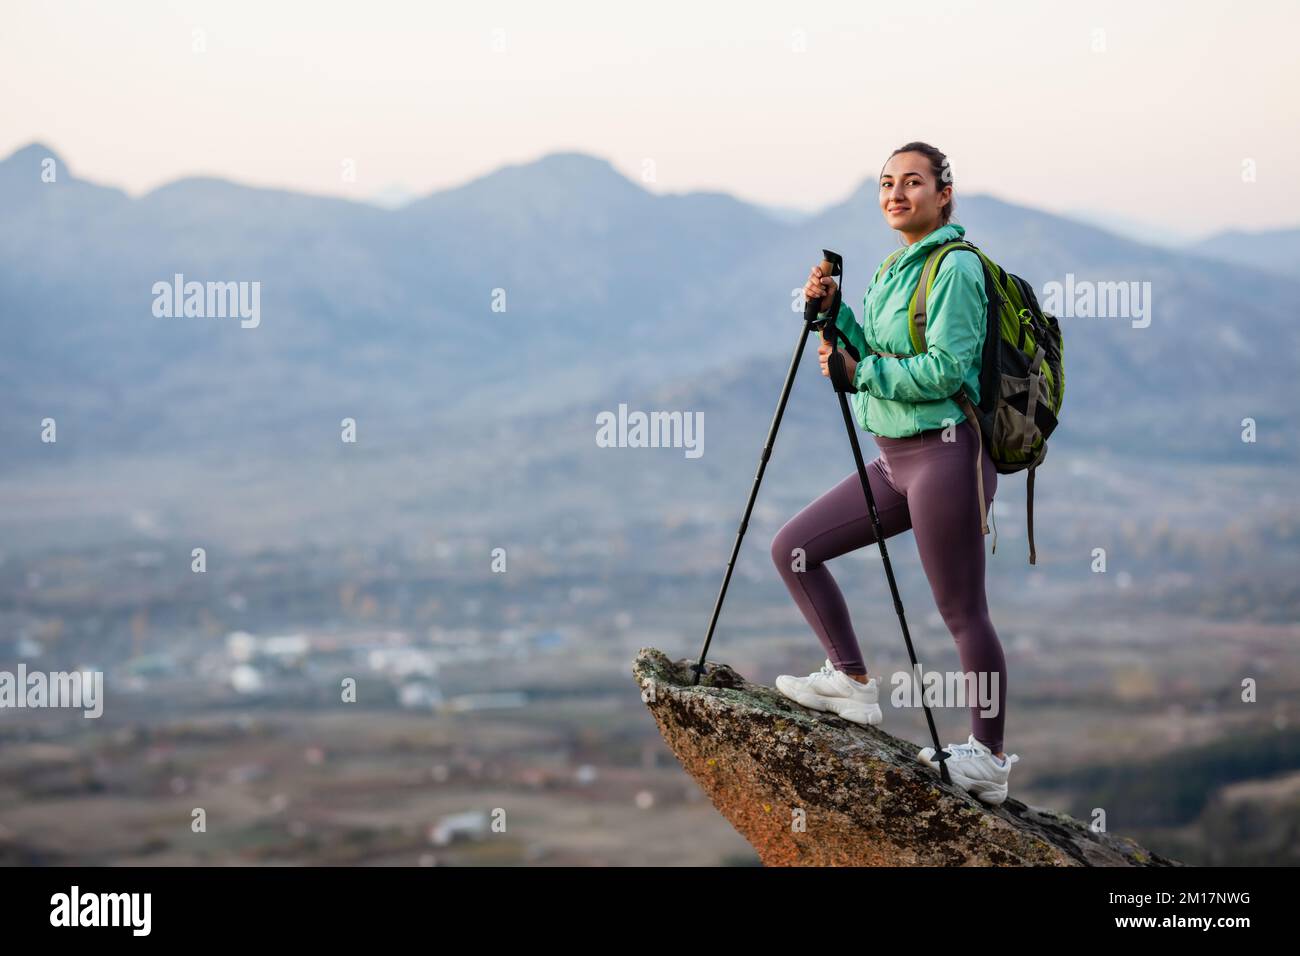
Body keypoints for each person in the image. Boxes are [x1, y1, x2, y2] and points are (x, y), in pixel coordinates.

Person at [770, 141, 1020, 805]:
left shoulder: (956, 269)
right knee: (793, 550)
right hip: (893, 460)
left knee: (963, 611)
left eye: (913, 182)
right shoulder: (890, 268)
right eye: (886, 183)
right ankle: (851, 684)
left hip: (945, 456)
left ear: (944, 195)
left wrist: (864, 373)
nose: (896, 193)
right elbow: (870, 351)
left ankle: (988, 760)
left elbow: (947, 369)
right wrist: (834, 315)